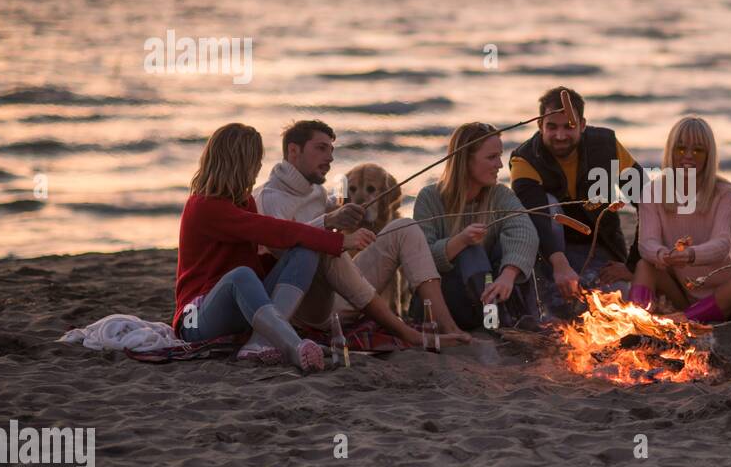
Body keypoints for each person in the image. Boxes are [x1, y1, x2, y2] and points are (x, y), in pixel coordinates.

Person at [173, 123, 372, 372]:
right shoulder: (204, 207)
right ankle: (293, 345)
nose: (258, 168)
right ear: (239, 163)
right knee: (240, 275)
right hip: (193, 319)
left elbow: (267, 247)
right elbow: (274, 230)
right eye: (255, 161)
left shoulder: (245, 202)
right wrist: (340, 241)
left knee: (304, 251)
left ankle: (260, 342)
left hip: (237, 310)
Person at [256, 120, 467, 349]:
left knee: (404, 227)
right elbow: (286, 247)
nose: (330, 158)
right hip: (306, 309)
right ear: (293, 151)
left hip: (339, 297)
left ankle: (449, 328)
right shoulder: (270, 197)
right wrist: (331, 224)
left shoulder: (315, 190)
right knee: (328, 247)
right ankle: (409, 333)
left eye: (331, 150)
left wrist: (345, 213)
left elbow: (329, 216)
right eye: (321, 148)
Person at [509, 86, 643, 316]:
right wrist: (560, 265)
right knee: (556, 316)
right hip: (547, 256)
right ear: (540, 126)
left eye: (569, 126)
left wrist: (633, 265)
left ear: (582, 124)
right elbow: (536, 216)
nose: (560, 135)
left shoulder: (607, 146)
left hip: (601, 247)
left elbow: (647, 202)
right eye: (552, 126)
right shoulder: (524, 159)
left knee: (618, 310)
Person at [627, 116, 731, 323]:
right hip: (682, 293)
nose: (688, 156)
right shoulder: (652, 191)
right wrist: (661, 254)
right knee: (644, 265)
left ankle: (682, 320)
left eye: (697, 150)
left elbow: (722, 244)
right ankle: (636, 321)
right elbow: (646, 243)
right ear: (671, 151)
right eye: (680, 149)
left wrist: (691, 254)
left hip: (722, 293)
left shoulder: (726, 193)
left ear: (708, 155)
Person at [413, 123, 540, 330]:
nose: (500, 164)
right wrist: (460, 241)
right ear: (465, 160)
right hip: (440, 304)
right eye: (491, 157)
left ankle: (516, 319)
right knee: (471, 251)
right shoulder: (429, 198)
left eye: (500, 156)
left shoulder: (499, 194)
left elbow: (524, 231)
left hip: (483, 298)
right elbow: (420, 261)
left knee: (509, 249)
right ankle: (497, 323)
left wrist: (508, 274)